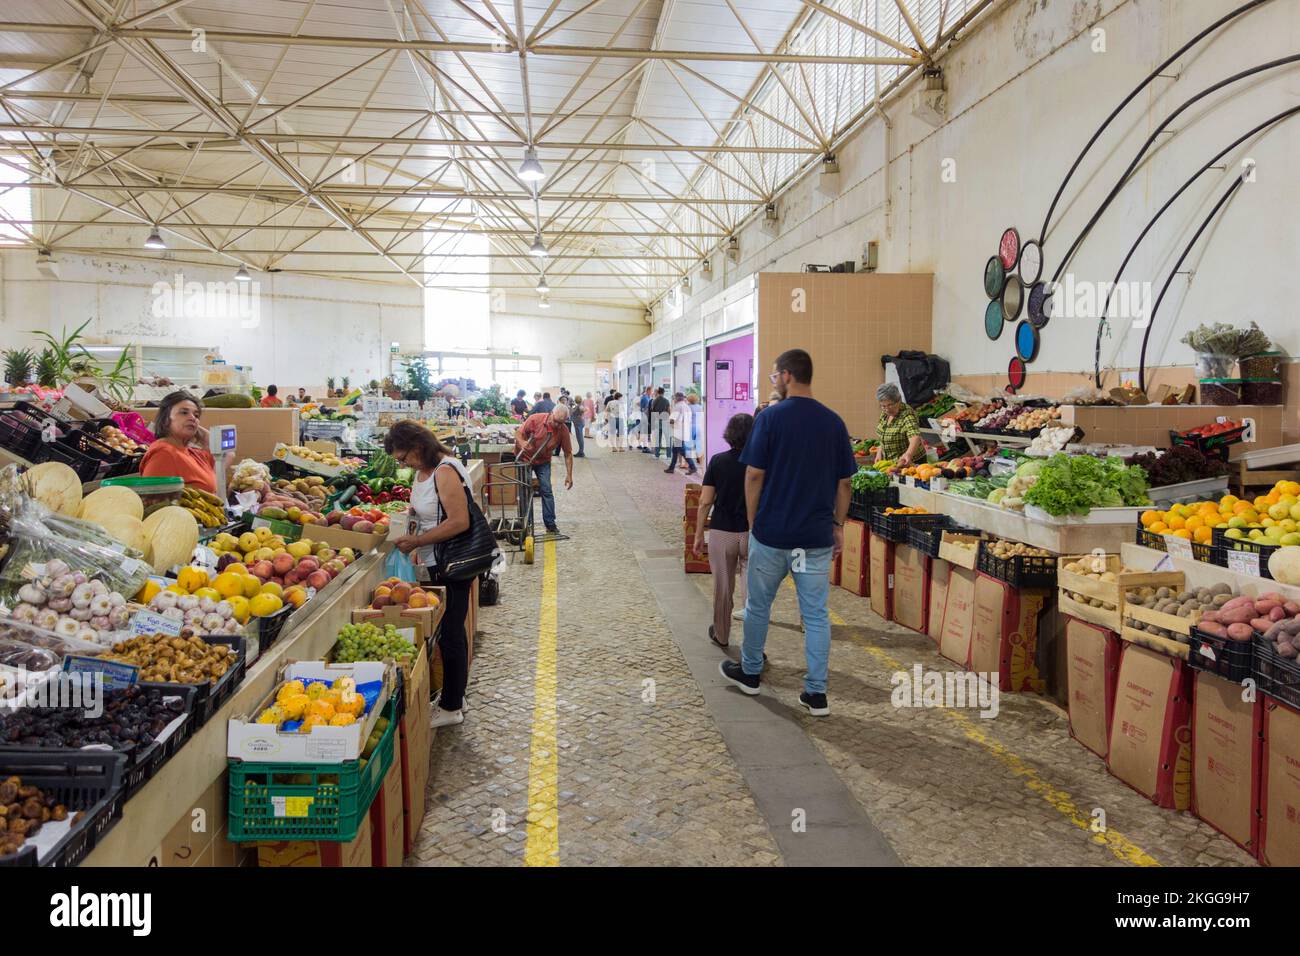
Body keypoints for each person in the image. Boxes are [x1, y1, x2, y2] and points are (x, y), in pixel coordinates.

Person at [718, 349, 856, 718]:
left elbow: (754, 475)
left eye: (774, 375)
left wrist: (752, 521)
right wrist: (838, 526)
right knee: (814, 615)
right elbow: (844, 483)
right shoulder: (834, 423)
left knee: (758, 607)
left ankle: (749, 673)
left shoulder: (771, 419)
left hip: (774, 534)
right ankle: (816, 694)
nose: (773, 380)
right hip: (814, 538)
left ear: (787, 375)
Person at [386, 421, 473, 728]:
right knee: (448, 631)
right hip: (435, 561)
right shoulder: (424, 473)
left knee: (450, 633)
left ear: (418, 446)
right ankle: (455, 695)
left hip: (453, 563)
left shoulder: (445, 471)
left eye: (403, 457)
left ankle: (451, 708)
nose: (402, 464)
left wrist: (419, 540)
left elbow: (460, 521)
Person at [693, 413, 753, 648]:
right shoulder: (761, 464)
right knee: (753, 593)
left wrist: (699, 533)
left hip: (722, 532)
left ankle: (722, 634)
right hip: (751, 533)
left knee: (723, 588)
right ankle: (753, 644)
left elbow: (705, 501)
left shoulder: (717, 461)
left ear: (729, 434)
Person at [140, 390, 232, 496]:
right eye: (184, 412)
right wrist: (188, 423)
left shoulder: (193, 453)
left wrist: (192, 425)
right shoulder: (164, 453)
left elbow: (228, 453)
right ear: (165, 419)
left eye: (196, 415)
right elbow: (154, 501)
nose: (193, 417)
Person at [515, 404, 575, 534]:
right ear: (551, 414)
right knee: (524, 491)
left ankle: (550, 523)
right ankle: (525, 523)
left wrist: (569, 475)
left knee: (546, 490)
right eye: (556, 421)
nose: (558, 425)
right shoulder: (535, 419)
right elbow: (518, 433)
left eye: (561, 423)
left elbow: (568, 454)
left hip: (543, 461)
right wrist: (522, 443)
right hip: (524, 459)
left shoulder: (563, 430)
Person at [874, 382, 924, 467]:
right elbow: (883, 434)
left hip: (908, 463)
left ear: (898, 400)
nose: (887, 409)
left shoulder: (907, 414)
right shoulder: (885, 413)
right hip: (890, 463)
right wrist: (879, 452)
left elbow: (915, 437)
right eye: (883, 406)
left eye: (890, 405)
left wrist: (908, 454)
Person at [664, 392, 696, 475]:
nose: (673, 399)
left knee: (681, 450)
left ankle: (693, 467)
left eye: (674, 398)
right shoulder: (686, 406)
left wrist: (669, 423)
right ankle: (671, 468)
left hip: (678, 431)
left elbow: (673, 419)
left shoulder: (678, 406)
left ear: (677, 398)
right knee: (675, 450)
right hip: (684, 430)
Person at [650, 387, 671, 458]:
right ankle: (668, 454)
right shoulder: (667, 401)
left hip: (656, 419)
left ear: (658, 392)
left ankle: (657, 454)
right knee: (668, 438)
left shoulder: (654, 401)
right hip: (665, 420)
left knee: (657, 438)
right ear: (663, 392)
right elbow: (668, 411)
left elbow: (652, 410)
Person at [638, 387, 654, 452]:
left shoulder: (648, 397)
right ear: (648, 390)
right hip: (645, 415)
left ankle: (645, 445)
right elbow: (643, 408)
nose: (652, 392)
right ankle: (645, 446)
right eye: (651, 391)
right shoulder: (645, 398)